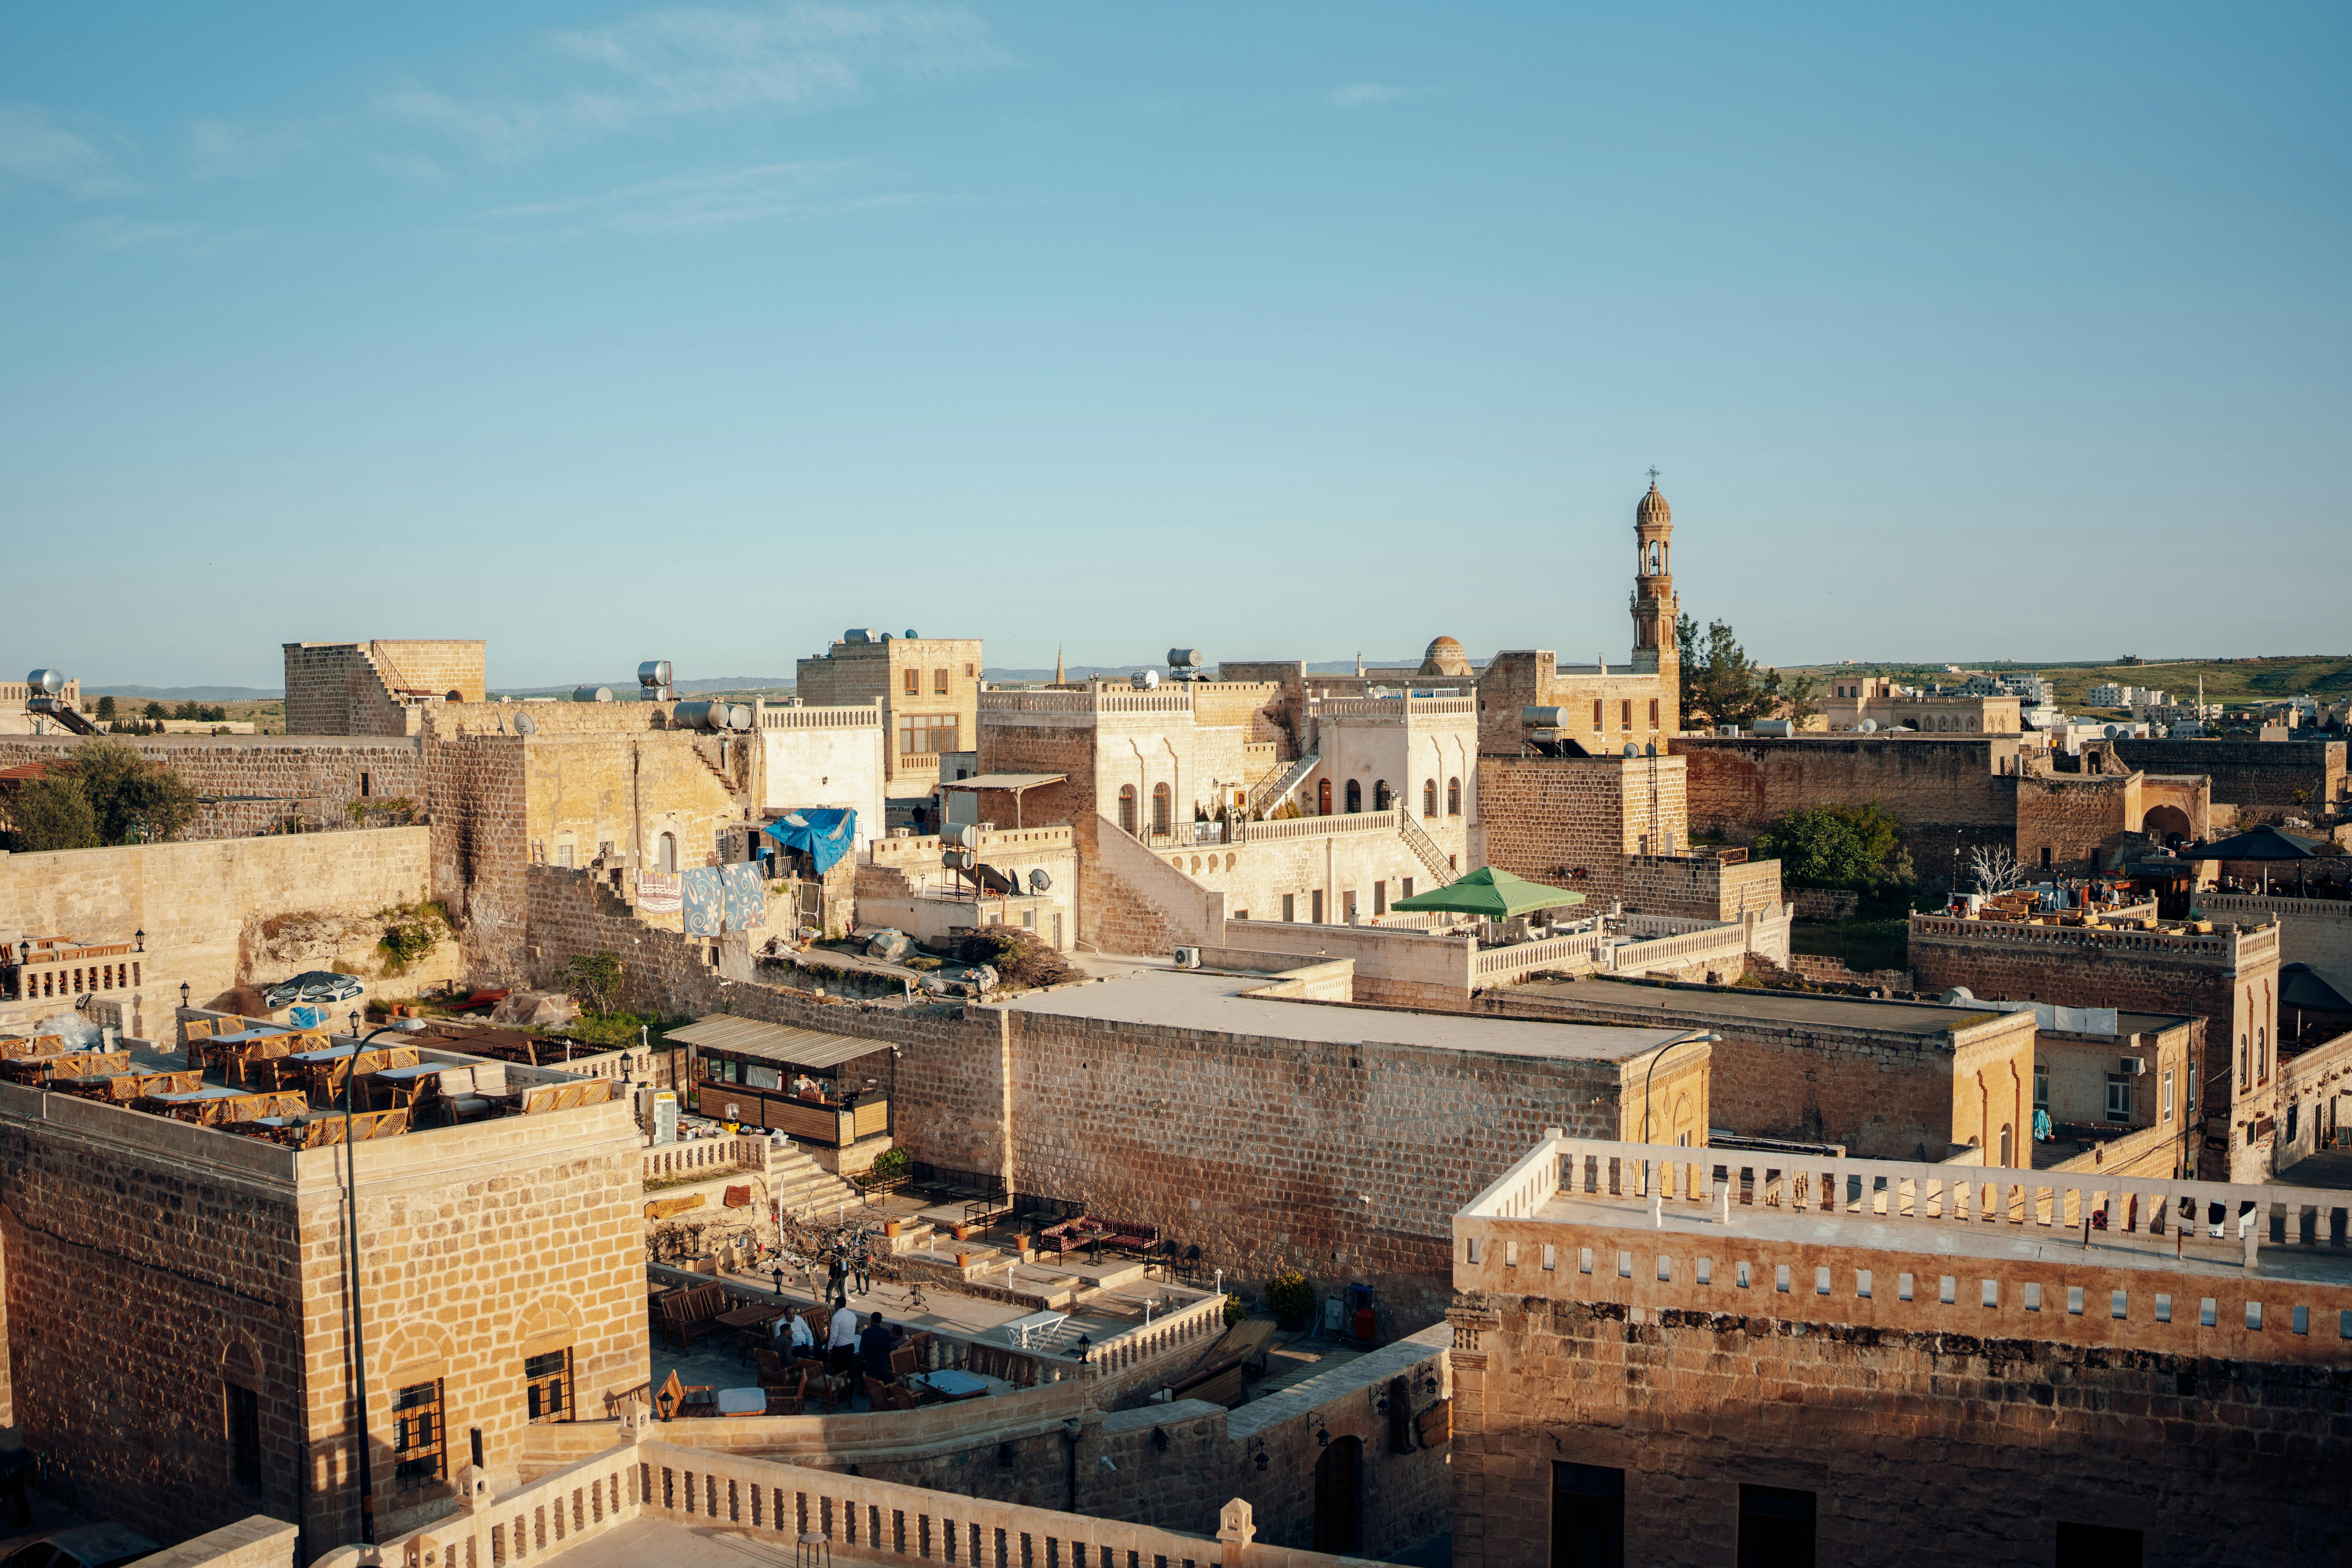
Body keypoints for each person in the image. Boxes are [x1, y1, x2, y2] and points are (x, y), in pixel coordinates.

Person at [859, 1311, 897, 1386]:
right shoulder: (886, 1333)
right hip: (883, 1366)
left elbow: (862, 1350)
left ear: (871, 1320)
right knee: (885, 1387)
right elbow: (890, 1350)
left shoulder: (866, 1332)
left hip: (871, 1366)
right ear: (881, 1322)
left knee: (873, 1387)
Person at [827, 1294, 859, 1377]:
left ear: (837, 1306)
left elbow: (834, 1335)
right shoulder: (852, 1315)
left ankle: (842, 1387)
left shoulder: (836, 1317)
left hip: (840, 1348)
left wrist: (829, 1348)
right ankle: (850, 1387)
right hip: (851, 1346)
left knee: (839, 1370)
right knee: (849, 1368)